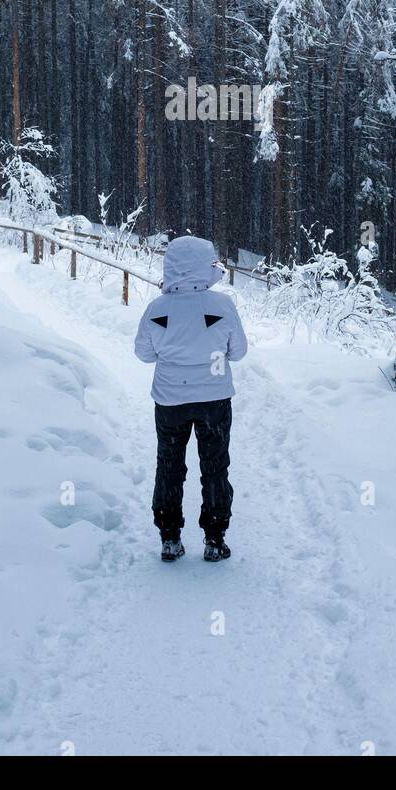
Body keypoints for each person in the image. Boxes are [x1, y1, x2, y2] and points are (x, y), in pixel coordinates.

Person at [134, 235, 248, 563]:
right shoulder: (223, 306)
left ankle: (169, 537)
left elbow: (143, 354)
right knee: (215, 466)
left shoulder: (157, 309)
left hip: (170, 400)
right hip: (214, 399)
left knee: (169, 466)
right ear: (205, 265)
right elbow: (237, 353)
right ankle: (215, 539)